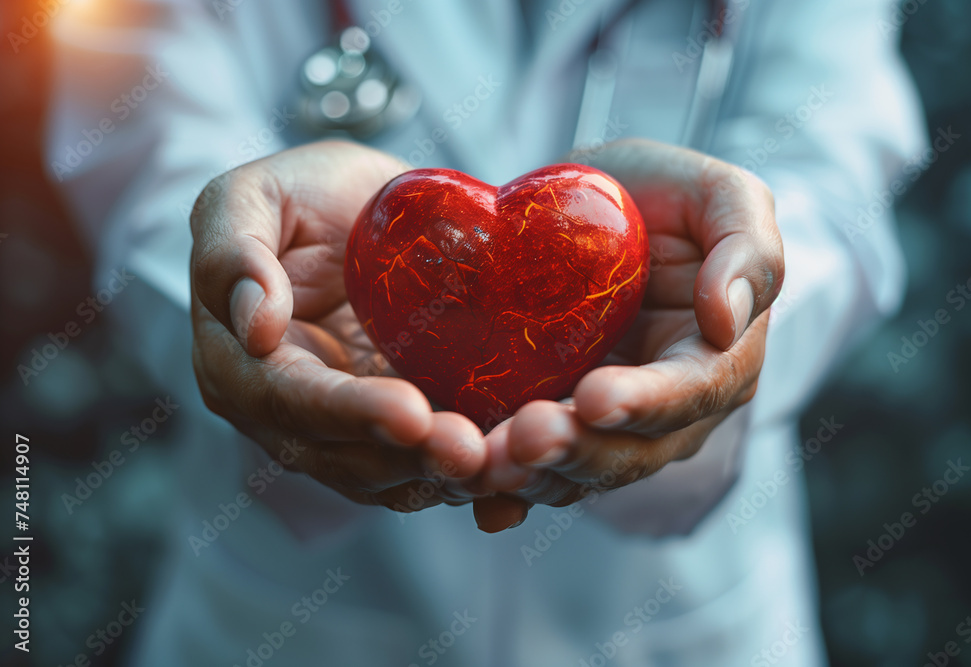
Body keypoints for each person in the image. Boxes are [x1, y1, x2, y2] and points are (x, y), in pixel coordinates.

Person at [47, 0, 924, 664]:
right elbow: (138, 134)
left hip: (677, 620)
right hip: (294, 619)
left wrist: (737, 299)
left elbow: (835, 166)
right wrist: (244, 292)